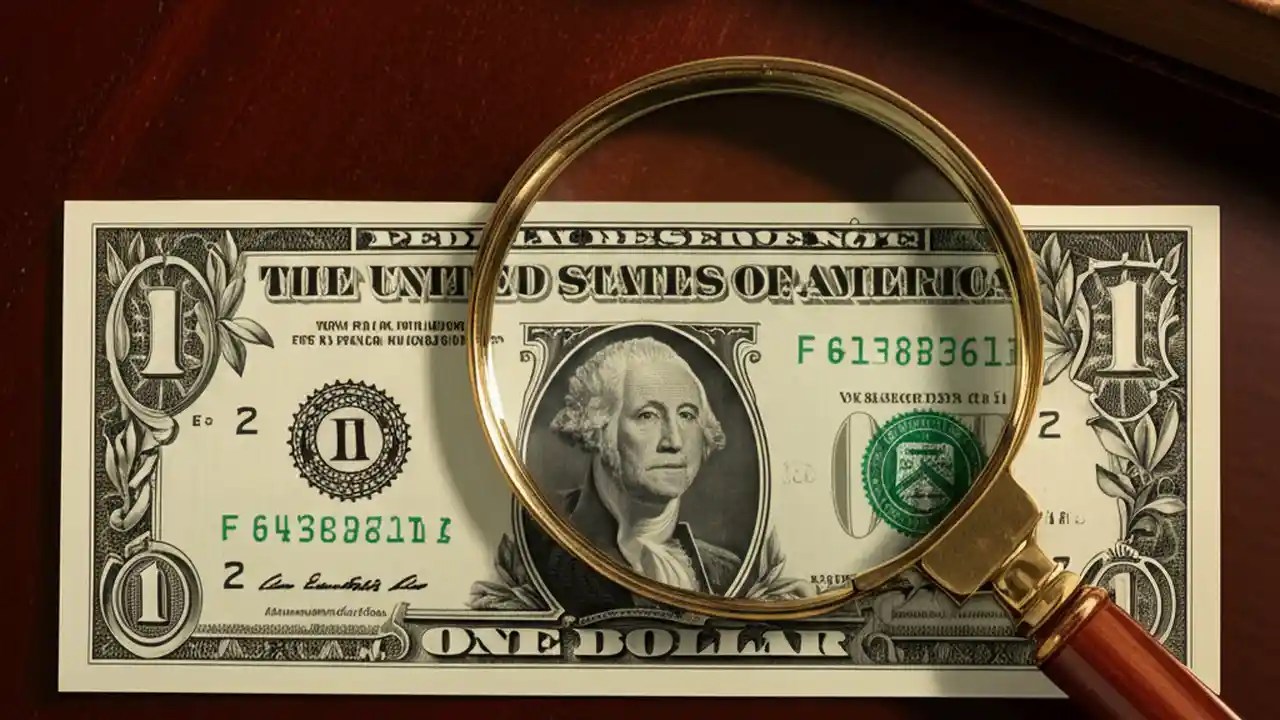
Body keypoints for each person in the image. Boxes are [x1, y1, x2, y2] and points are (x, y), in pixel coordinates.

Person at [523, 335, 743, 616]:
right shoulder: (540, 559)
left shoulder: (725, 571)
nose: (673, 441)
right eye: (648, 416)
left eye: (687, 415)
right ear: (599, 427)